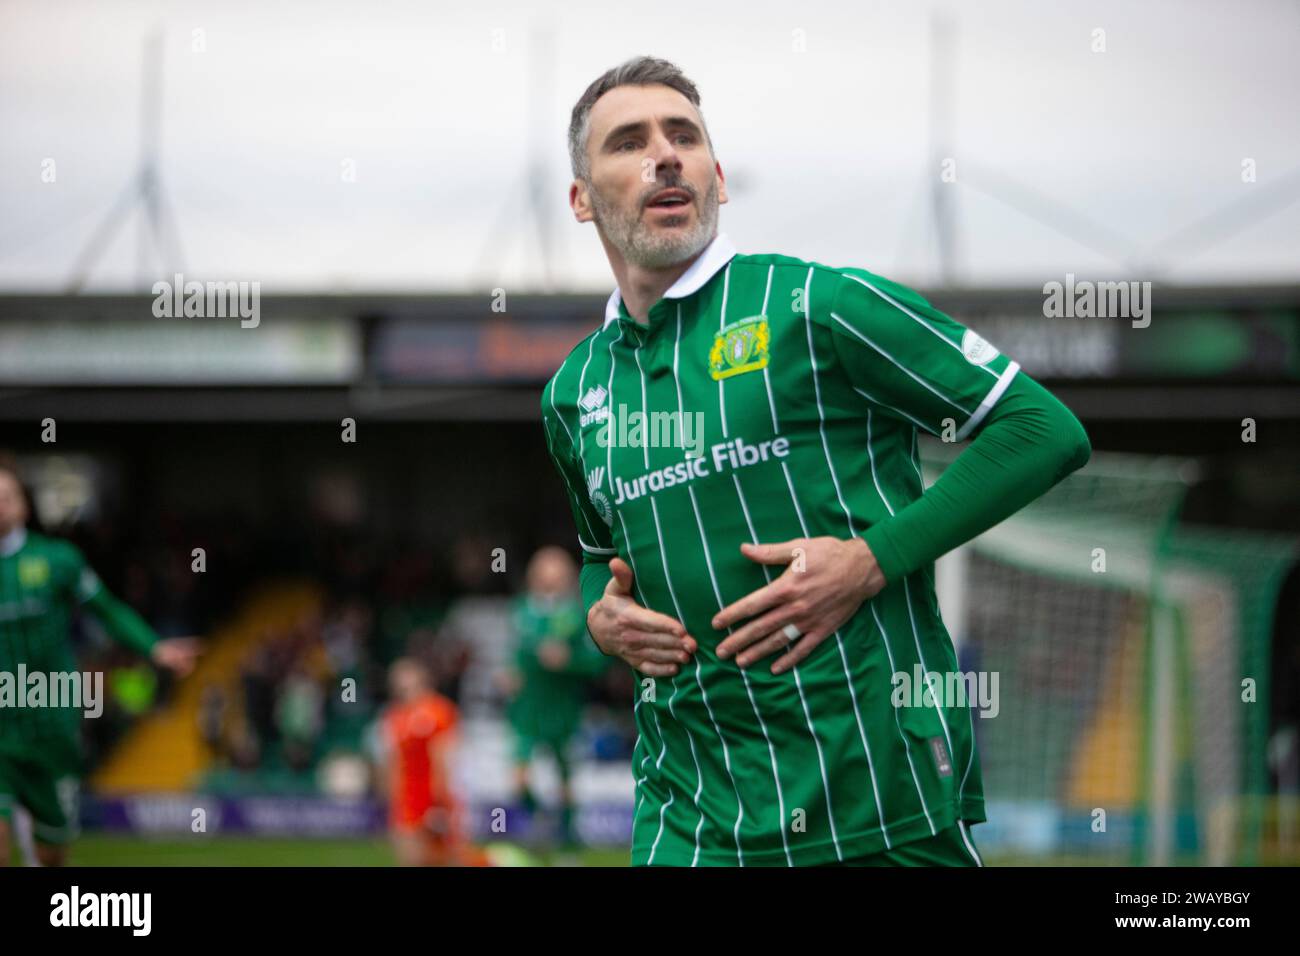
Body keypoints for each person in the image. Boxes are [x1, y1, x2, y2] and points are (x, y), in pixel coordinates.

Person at [540, 57, 1091, 866]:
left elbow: (1043, 429)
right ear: (583, 198)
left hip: (875, 793)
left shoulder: (819, 305)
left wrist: (871, 560)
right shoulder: (573, 391)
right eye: (629, 142)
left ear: (717, 178)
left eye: (684, 137)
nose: (666, 155)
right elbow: (599, 560)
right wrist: (600, 616)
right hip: (691, 811)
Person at [0, 461, 199, 866]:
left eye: (5, 498)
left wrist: (153, 647)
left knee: (52, 851)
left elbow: (106, 609)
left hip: (49, 719)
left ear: (22, 506)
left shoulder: (58, 560)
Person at [505, 546, 607, 848]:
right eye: (542, 573)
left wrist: (568, 660)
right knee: (520, 777)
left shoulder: (577, 614)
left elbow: (597, 661)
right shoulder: (522, 611)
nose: (548, 580)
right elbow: (518, 653)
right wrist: (511, 673)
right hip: (526, 709)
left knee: (564, 780)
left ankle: (568, 843)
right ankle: (540, 818)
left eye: (556, 574)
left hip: (562, 709)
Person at [377, 657, 487, 866]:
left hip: (434, 795)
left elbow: (444, 759)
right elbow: (393, 761)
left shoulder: (439, 711)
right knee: (411, 857)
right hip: (408, 797)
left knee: (448, 855)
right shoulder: (394, 716)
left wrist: (441, 800)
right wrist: (392, 798)